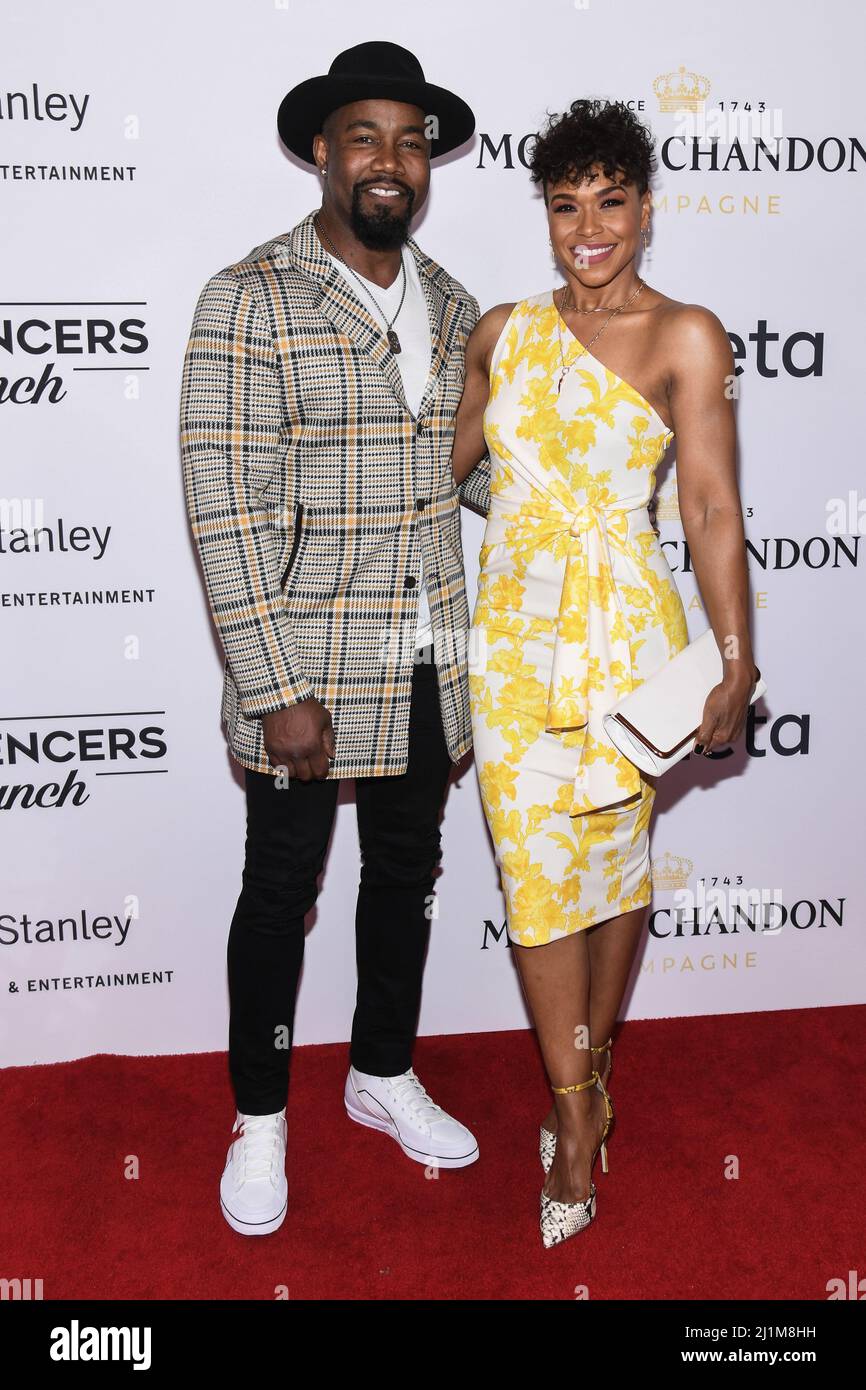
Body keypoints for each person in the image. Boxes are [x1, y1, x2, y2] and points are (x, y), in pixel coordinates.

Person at [179, 42, 484, 1237]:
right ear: (321, 149)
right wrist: (272, 686)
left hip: (424, 656)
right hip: (303, 664)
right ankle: (259, 1117)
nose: (390, 161)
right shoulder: (248, 296)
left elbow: (472, 478)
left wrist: (590, 468)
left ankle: (380, 1069)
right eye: (365, 136)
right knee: (279, 890)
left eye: (410, 140)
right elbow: (223, 500)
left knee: (405, 878)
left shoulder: (454, 304)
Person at [450, 100, 760, 1247]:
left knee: (613, 875)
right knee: (535, 891)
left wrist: (734, 655)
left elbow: (713, 508)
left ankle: (595, 1064)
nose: (587, 230)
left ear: (643, 206)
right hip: (510, 651)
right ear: (544, 211)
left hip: (627, 645)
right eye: (565, 205)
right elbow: (441, 473)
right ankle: (574, 1117)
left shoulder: (688, 334)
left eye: (610, 202)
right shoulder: (501, 332)